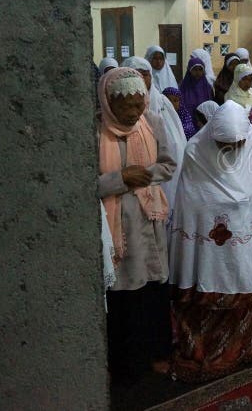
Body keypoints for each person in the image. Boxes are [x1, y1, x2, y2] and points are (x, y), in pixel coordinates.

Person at [168, 101, 252, 382]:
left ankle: (243, 347)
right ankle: (207, 350)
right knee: (207, 288)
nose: (232, 150)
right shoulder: (195, 149)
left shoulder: (251, 142)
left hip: (244, 232)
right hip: (208, 238)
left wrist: (241, 204)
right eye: (224, 144)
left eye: (237, 143)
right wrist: (224, 203)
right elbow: (191, 199)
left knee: (246, 283)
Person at [97, 68, 176, 379]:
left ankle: (157, 353)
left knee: (153, 291)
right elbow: (85, 183)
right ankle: (125, 365)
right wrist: (120, 179)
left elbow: (168, 165)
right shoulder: (97, 131)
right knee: (123, 296)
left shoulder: (152, 123)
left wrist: (142, 175)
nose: (132, 113)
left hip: (149, 219)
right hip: (117, 227)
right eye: (125, 106)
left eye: (137, 105)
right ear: (108, 103)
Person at [123, 57, 187, 212]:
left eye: (145, 74)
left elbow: (177, 141)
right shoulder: (118, 109)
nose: (141, 78)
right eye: (135, 74)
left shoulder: (163, 103)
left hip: (163, 173)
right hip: (128, 182)